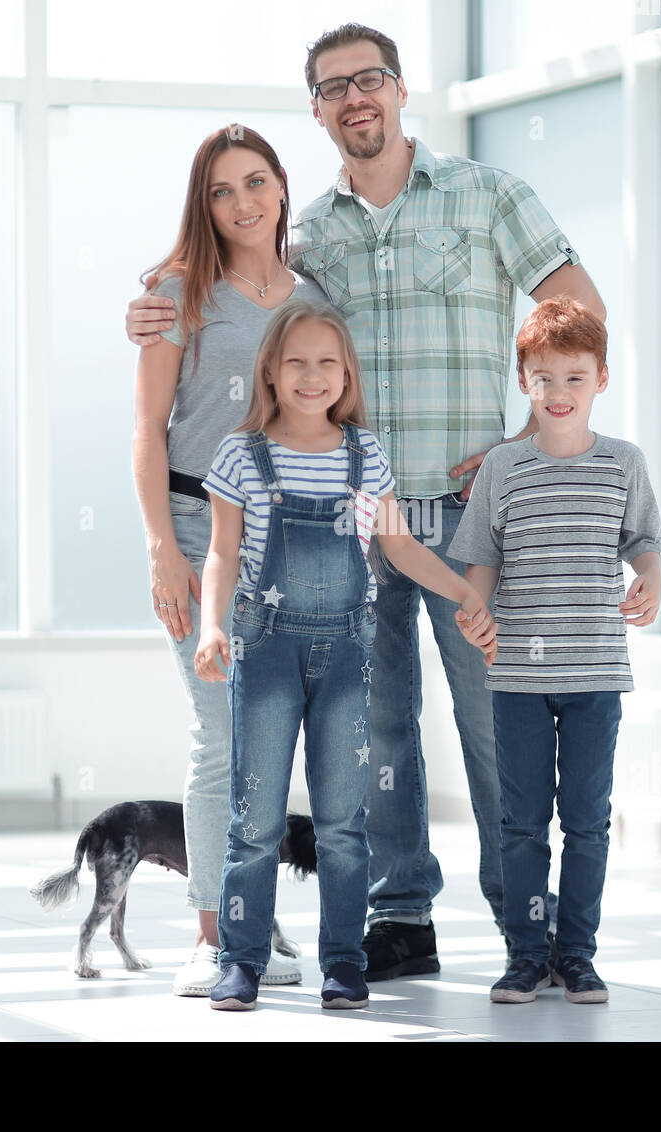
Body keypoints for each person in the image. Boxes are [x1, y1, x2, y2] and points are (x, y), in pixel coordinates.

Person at [126, 23, 607, 980]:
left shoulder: (487, 195)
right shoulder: (315, 241)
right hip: (352, 525)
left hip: (470, 522)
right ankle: (399, 918)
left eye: (371, 79)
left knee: (494, 720)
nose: (356, 98)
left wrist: (525, 440)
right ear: (316, 110)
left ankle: (532, 928)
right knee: (376, 728)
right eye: (334, 87)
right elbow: (233, 302)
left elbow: (578, 314)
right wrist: (150, 305)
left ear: (398, 88)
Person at [193, 300, 496, 1010]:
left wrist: (463, 595)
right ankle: (239, 959)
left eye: (327, 362)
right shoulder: (241, 455)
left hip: (346, 661)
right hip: (265, 653)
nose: (312, 375)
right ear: (270, 370)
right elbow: (221, 553)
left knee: (342, 824)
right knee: (255, 819)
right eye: (296, 361)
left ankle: (343, 962)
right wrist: (211, 626)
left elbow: (398, 547)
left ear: (347, 374)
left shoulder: (365, 454)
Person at [132, 123, 336, 995]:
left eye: (256, 183)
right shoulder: (179, 290)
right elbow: (146, 427)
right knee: (219, 733)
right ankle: (214, 936)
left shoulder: (312, 292)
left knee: (267, 741)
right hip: (190, 528)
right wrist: (159, 551)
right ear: (203, 204)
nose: (243, 203)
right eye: (222, 190)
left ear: (283, 188)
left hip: (285, 536)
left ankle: (254, 914)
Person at [450, 296, 661, 1004]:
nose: (558, 393)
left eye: (574, 377)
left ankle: (575, 954)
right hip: (515, 676)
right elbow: (480, 559)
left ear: (601, 378)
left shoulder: (624, 464)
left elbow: (645, 545)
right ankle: (524, 953)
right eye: (543, 378)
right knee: (520, 823)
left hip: (597, 675)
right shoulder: (503, 470)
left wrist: (652, 584)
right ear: (524, 382)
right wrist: (474, 610)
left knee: (586, 821)